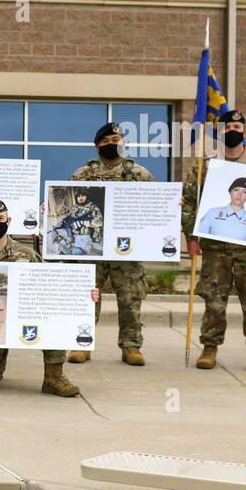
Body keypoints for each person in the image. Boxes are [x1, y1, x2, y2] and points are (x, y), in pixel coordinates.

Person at [0, 200, 98, 397]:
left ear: (9, 220)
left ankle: (53, 377)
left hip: (27, 312)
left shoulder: (27, 254)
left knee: (54, 316)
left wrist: (84, 293)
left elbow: (52, 285)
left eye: (0, 218)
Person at [182, 109, 246, 372]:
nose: (232, 130)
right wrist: (191, 237)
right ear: (219, 133)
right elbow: (189, 202)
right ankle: (209, 348)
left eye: (237, 126)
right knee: (214, 301)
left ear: (244, 131)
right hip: (215, 250)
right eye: (227, 127)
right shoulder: (205, 166)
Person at [67, 122, 156, 366]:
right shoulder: (82, 174)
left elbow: (156, 207)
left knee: (129, 298)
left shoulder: (139, 175)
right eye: (105, 142)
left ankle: (131, 346)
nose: (111, 145)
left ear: (124, 142)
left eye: (115, 140)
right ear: (97, 146)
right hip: (90, 248)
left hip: (126, 250)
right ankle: (81, 344)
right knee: (87, 297)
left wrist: (172, 205)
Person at [196, 177, 246, 244]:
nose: (239, 194)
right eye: (236, 190)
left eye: (245, 192)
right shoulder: (212, 213)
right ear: (230, 192)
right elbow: (199, 238)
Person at [50, 189, 104, 255]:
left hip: (84, 235)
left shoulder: (93, 208)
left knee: (77, 252)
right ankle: (67, 249)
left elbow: (100, 221)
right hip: (72, 234)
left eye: (83, 196)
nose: (81, 198)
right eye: (78, 196)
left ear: (87, 196)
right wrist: (61, 223)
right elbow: (68, 218)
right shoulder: (75, 207)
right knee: (54, 232)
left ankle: (69, 250)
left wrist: (84, 223)